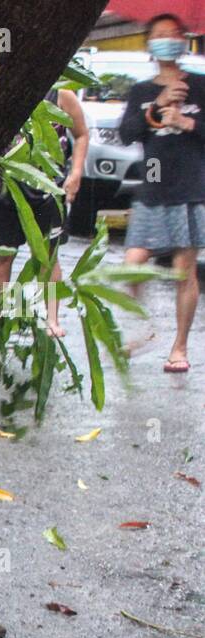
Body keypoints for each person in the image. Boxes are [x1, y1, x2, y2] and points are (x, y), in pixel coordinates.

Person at [119, 13, 205, 374]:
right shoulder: (141, 91)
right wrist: (159, 104)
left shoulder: (200, 86)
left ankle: (179, 348)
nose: (167, 39)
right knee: (132, 261)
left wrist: (187, 122)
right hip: (153, 187)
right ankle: (144, 328)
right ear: (149, 44)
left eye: (174, 34)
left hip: (191, 186)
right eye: (159, 34)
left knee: (183, 270)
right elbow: (128, 134)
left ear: (184, 41)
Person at [0, 88, 89, 338]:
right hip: (3, 186)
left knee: (48, 255)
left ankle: (51, 319)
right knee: (2, 254)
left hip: (48, 188)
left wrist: (75, 173)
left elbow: (82, 134)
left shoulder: (62, 97)